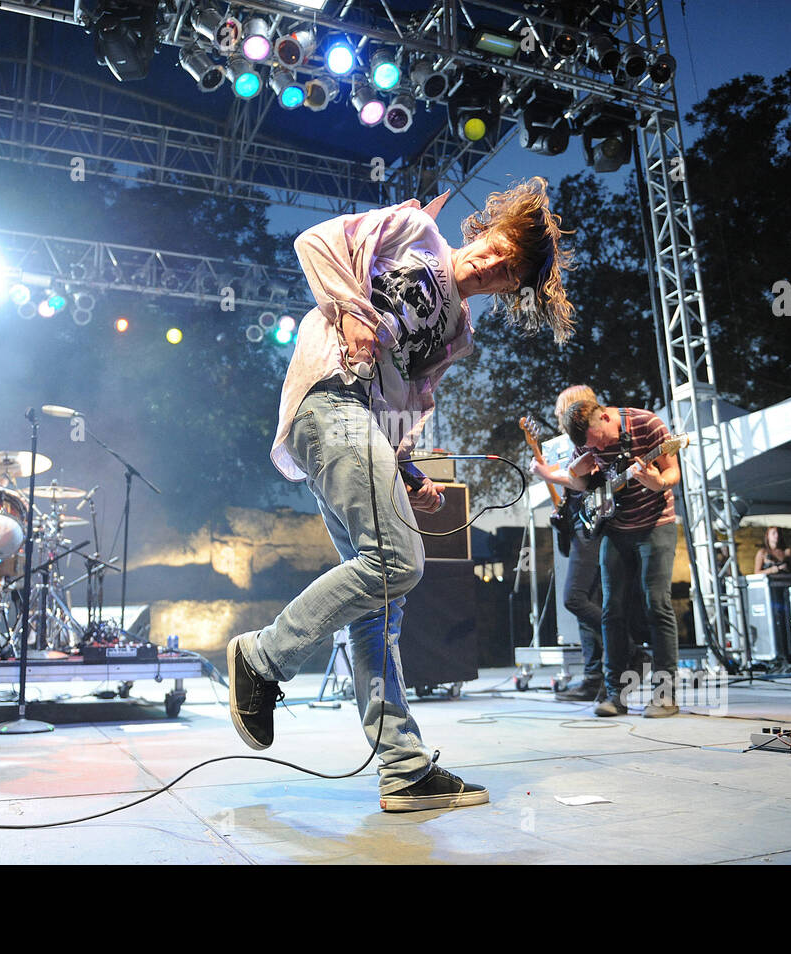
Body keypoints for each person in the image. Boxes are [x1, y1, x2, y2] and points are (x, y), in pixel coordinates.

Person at [226, 177, 574, 812]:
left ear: (507, 291)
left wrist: (409, 473)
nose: (495, 266)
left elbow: (404, 400)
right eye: (500, 248)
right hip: (329, 398)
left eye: (510, 274)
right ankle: (264, 657)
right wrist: (355, 312)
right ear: (485, 233)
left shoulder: (457, 333)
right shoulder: (416, 231)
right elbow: (316, 241)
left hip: (365, 426)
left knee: (379, 608)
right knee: (397, 564)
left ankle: (404, 770)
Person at [551, 399, 682, 718]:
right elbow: (581, 489)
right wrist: (574, 472)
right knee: (611, 610)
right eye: (590, 448)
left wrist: (658, 482)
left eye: (600, 442)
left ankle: (665, 696)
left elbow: (672, 472)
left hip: (656, 524)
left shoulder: (648, 424)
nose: (597, 450)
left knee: (657, 603)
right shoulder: (586, 443)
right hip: (615, 529)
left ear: (606, 418)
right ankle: (615, 696)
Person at [531, 385, 647, 703]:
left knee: (576, 599)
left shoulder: (590, 441)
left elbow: (585, 482)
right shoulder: (582, 442)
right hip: (583, 523)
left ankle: (632, 652)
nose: (557, 416)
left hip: (593, 524)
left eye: (561, 409)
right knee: (587, 600)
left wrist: (545, 473)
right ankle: (596, 674)